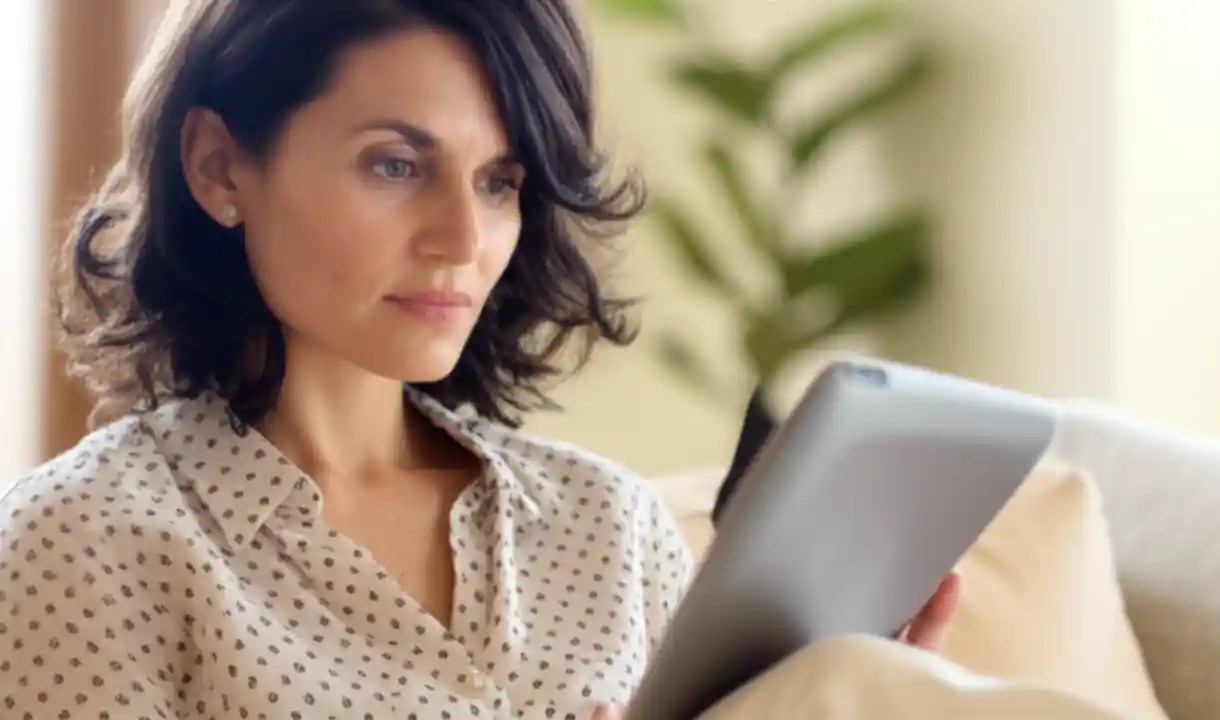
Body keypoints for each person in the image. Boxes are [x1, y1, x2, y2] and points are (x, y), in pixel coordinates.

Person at [0, 1, 958, 718]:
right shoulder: (83, 546)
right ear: (217, 167)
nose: (463, 238)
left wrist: (834, 696)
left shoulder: (610, 531)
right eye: (395, 165)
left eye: (500, 182)